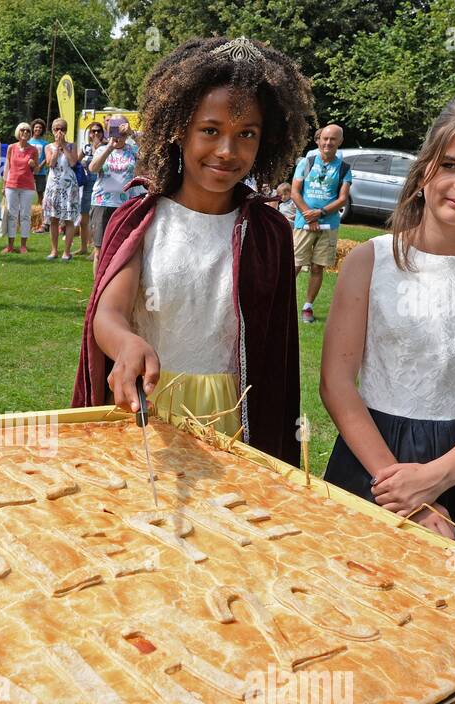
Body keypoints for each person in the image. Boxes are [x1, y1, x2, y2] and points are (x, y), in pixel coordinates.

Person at [73, 36, 316, 465]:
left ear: (266, 141)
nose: (227, 150)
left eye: (246, 134)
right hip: (147, 404)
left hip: (234, 416)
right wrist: (126, 343)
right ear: (178, 128)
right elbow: (107, 314)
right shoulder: (140, 221)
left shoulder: (268, 234)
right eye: (210, 130)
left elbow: (275, 354)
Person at [321, 93, 455, 549]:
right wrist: (406, 493)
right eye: (451, 166)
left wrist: (438, 478)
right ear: (424, 172)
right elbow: (337, 382)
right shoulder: (369, 260)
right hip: (372, 458)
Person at [291, 124, 352, 323]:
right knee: (295, 265)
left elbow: (342, 199)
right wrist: (309, 215)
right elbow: (295, 192)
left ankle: (307, 307)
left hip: (328, 225)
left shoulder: (344, 168)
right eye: (324, 139)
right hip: (304, 222)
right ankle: (280, 302)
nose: (328, 143)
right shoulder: (306, 163)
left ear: (339, 142)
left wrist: (321, 213)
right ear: (318, 141)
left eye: (332, 139)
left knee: (318, 267)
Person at [89, 113, 144, 270]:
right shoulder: (102, 149)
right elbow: (93, 168)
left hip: (125, 204)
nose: (118, 133)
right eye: (114, 128)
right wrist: (110, 148)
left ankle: (115, 285)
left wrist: (132, 133)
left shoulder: (133, 149)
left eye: (121, 128)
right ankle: (98, 291)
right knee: (99, 250)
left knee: (122, 249)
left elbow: (150, 153)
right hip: (102, 203)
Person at [41, 118, 79, 260]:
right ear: (52, 131)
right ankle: (54, 250)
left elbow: (73, 162)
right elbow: (51, 163)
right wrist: (57, 147)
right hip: (53, 186)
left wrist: (64, 145)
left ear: (66, 130)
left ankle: (67, 251)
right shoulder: (48, 147)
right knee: (54, 218)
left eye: (62, 128)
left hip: (69, 186)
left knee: (68, 219)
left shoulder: (72, 146)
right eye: (56, 129)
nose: (59, 131)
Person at [3, 122, 38, 254]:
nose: (25, 132)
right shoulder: (11, 148)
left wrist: (33, 164)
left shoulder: (34, 150)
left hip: (27, 186)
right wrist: (5, 183)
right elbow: (7, 166)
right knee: (11, 215)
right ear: (18, 132)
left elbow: (37, 168)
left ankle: (23, 245)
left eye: (28, 131)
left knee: (25, 215)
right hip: (11, 185)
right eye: (23, 130)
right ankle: (10, 245)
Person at [77, 120, 104, 256]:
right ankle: (83, 247)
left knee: (97, 220)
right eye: (93, 131)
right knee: (84, 219)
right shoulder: (86, 147)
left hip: (101, 185)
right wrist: (81, 163)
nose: (96, 133)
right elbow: (76, 161)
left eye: (99, 130)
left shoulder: (106, 147)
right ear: (89, 133)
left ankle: (95, 249)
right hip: (87, 184)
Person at [29, 118, 49, 200]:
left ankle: (40, 210)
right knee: (26, 192)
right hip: (28, 171)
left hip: (41, 172)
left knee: (40, 192)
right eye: (36, 127)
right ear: (33, 128)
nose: (38, 129)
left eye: (40, 128)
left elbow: (47, 157)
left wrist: (40, 167)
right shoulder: (28, 141)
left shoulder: (45, 143)